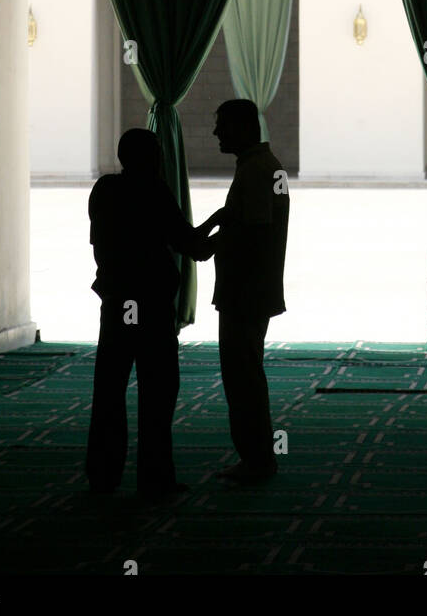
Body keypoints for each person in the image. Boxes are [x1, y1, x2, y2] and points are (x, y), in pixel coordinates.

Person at [85, 127, 223, 501]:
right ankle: (155, 478)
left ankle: (103, 476)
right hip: (150, 305)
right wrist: (222, 223)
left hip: (118, 303)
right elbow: (192, 246)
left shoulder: (105, 189)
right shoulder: (154, 192)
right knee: (157, 393)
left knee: (110, 390)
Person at [211, 99, 290, 484]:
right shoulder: (264, 167)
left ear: (244, 128)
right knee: (247, 374)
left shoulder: (259, 170)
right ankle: (257, 457)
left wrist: (207, 243)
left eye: (223, 126)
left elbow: (252, 232)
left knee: (242, 377)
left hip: (245, 292)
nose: (215, 134)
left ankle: (256, 460)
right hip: (251, 290)